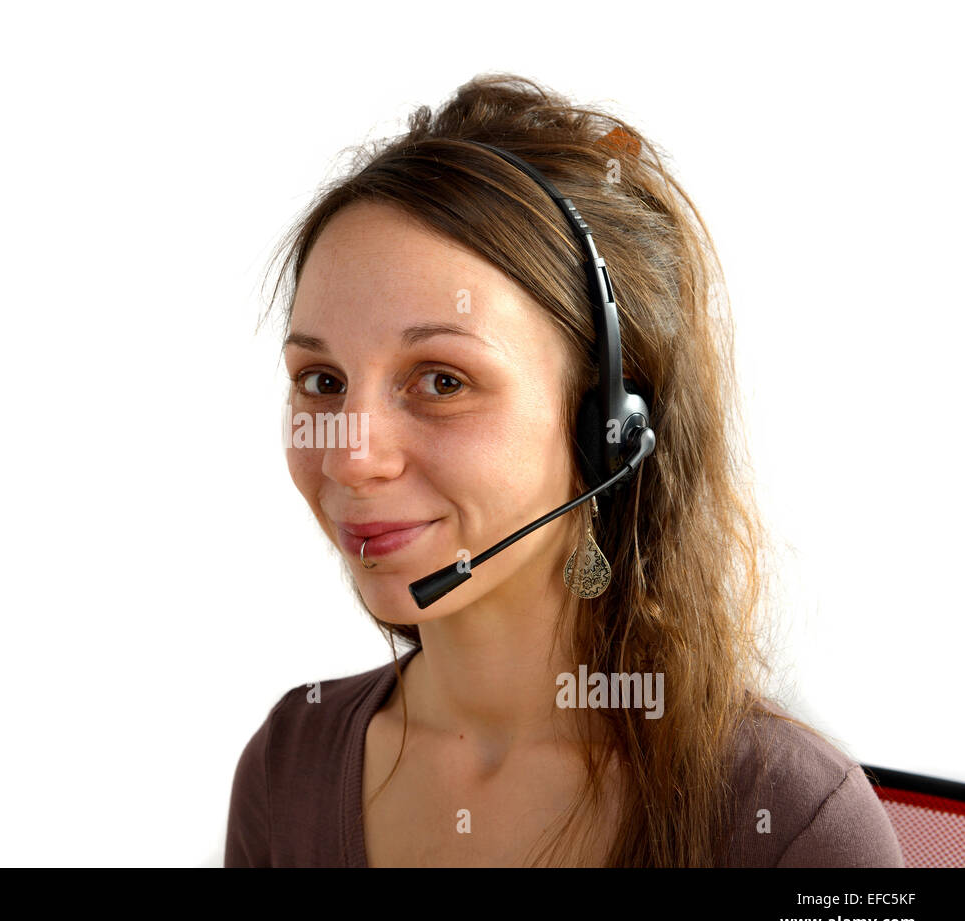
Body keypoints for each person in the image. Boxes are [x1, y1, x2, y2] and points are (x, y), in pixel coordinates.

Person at [225, 73, 904, 867]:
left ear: (607, 428)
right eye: (323, 381)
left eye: (442, 381)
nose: (350, 454)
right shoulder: (288, 766)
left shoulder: (790, 822)